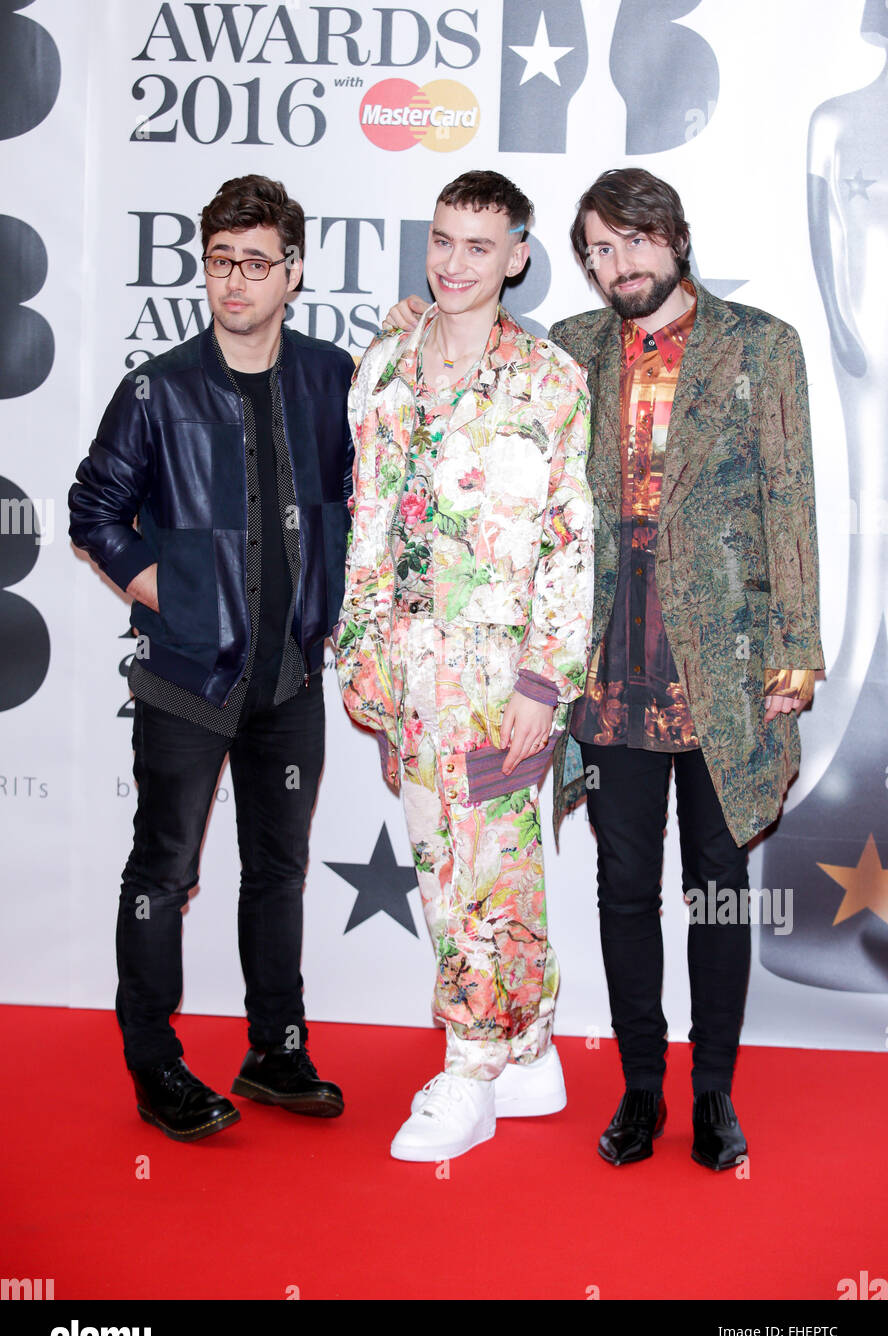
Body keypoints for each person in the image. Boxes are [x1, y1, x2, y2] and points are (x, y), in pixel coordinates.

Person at [385, 166, 824, 1170]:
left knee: (717, 881)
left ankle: (714, 1095)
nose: (616, 263)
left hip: (727, 659)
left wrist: (796, 650)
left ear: (673, 236)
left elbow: (791, 501)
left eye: (631, 241)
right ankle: (640, 1091)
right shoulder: (572, 352)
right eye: (596, 250)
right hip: (608, 655)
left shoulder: (763, 345)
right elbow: (474, 384)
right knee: (624, 886)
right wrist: (413, 329)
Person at [69, 175, 354, 1141]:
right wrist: (180, 598)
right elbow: (92, 512)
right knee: (163, 871)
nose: (234, 282)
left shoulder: (331, 378)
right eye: (220, 262)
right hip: (188, 676)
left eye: (256, 263)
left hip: (290, 677)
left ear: (294, 272)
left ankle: (276, 1048)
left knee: (278, 870)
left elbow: (365, 495)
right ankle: (154, 1062)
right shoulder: (157, 387)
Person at [337, 170, 593, 1161]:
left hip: (502, 687)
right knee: (451, 868)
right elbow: (368, 522)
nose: (453, 263)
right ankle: (527, 1050)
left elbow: (574, 545)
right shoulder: (385, 367)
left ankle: (470, 1060)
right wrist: (361, 658)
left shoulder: (548, 381)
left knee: (489, 872)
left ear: (518, 256)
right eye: (442, 240)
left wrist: (545, 682)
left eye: (478, 246)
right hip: (406, 676)